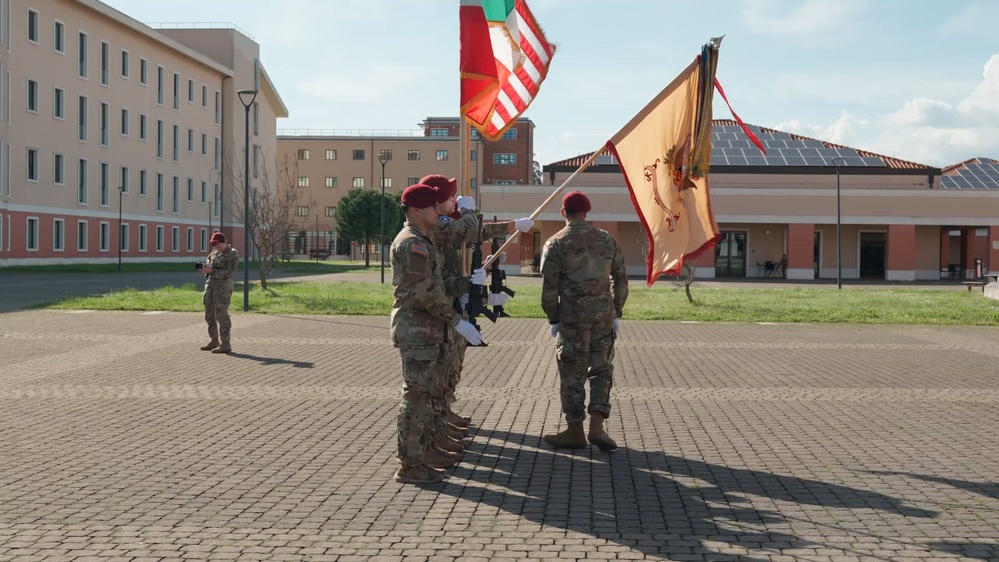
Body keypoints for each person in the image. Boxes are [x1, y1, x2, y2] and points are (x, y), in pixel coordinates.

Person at [420, 174, 534, 432]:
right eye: (450, 196)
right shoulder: (436, 226)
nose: (454, 200)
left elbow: (476, 231)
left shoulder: (449, 221)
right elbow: (469, 230)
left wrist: (513, 224)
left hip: (454, 297)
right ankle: (436, 426)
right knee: (440, 372)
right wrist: (470, 212)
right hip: (442, 305)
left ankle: (445, 413)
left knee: (452, 367)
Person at [390, 183, 485, 484]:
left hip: (430, 330)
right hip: (419, 331)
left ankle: (426, 451)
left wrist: (468, 283)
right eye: (432, 206)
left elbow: (440, 282)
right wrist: (456, 321)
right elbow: (425, 293)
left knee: (429, 395)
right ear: (416, 210)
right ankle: (410, 463)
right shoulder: (411, 244)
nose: (438, 210)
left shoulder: (423, 241)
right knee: (417, 398)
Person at [540, 191, 629, 452]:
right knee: (601, 370)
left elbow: (549, 289)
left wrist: (553, 317)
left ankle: (575, 430)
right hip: (602, 317)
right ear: (587, 212)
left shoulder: (555, 243)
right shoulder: (607, 240)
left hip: (572, 319)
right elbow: (621, 280)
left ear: (562, 213)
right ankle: (597, 426)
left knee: (572, 373)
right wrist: (615, 311)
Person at [199, 232, 240, 354]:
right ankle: (214, 340)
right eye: (215, 246)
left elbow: (229, 273)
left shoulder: (232, 253)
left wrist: (212, 271)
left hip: (223, 288)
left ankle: (225, 343)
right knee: (209, 314)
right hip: (211, 286)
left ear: (224, 242)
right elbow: (209, 264)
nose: (217, 248)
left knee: (221, 315)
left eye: (219, 246)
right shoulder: (214, 253)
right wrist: (205, 269)